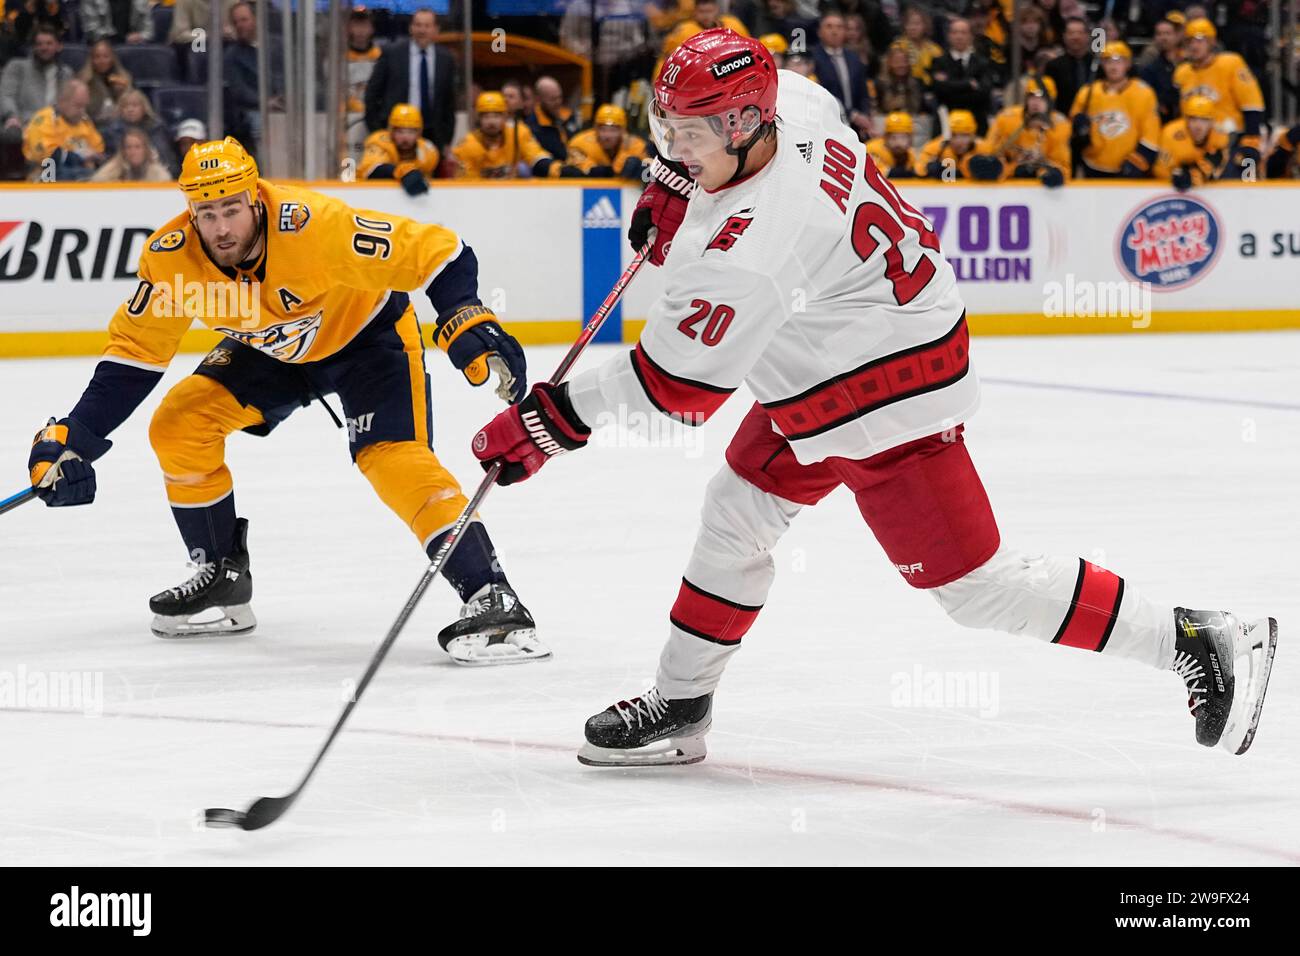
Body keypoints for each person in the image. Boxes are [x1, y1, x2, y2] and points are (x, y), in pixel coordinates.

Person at [468, 28, 1277, 767]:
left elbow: (675, 389)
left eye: (689, 134)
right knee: (738, 507)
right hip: (856, 341)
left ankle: (1196, 641)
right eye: (666, 127)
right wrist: (682, 178)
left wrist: (546, 423)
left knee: (973, 586)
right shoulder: (800, 103)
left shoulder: (749, 248)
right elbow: (744, 150)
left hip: (880, 388)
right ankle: (681, 703)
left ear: (747, 125)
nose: (670, 145)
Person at [24, 137, 547, 663]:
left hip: (367, 339)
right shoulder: (172, 261)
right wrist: (75, 437)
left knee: (393, 460)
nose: (222, 228)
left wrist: (463, 314)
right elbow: (133, 356)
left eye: (231, 208)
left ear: (254, 198)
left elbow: (439, 250)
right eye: (206, 213)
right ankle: (221, 575)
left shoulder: (314, 225)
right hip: (271, 350)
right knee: (179, 424)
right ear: (190, 212)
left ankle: (490, 594)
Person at [1173, 18, 1264, 179]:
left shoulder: (1231, 63)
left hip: (1231, 142)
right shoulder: (1182, 72)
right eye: (1190, 41)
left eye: (1200, 40)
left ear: (1212, 42)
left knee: (1242, 186)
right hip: (1194, 143)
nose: (1194, 45)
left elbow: (1252, 104)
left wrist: (1251, 141)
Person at [364, 8, 456, 153]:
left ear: (436, 29)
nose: (422, 30)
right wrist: (378, 131)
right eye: (418, 25)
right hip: (396, 133)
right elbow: (372, 94)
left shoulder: (446, 59)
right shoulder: (392, 53)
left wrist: (446, 140)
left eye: (427, 26)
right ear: (411, 27)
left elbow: (449, 103)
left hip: (433, 135)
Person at [1068, 41, 1159, 178]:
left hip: (1129, 167)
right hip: (1092, 165)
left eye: (1119, 61)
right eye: (1108, 61)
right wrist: (1078, 127)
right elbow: (1071, 125)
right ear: (1102, 65)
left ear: (1128, 64)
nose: (1113, 66)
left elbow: (1151, 133)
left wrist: (1139, 159)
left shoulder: (1144, 92)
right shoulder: (1087, 92)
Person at [980, 74, 1070, 186]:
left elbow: (1062, 164)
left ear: (1051, 101)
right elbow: (990, 151)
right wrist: (1008, 167)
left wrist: (1045, 167)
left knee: (1054, 176)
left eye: (1042, 98)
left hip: (1043, 180)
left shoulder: (1060, 124)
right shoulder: (1007, 118)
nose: (1036, 103)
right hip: (1009, 177)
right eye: (1032, 97)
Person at [452, 91, 559, 180]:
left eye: (496, 115)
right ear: (478, 118)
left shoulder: (519, 133)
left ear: (505, 116)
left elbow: (536, 155)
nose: (491, 122)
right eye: (486, 116)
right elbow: (465, 184)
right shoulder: (467, 145)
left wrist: (556, 169)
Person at [22, 77, 104, 179]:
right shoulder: (44, 119)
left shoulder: (85, 121)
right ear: (62, 101)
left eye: (84, 106)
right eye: (78, 106)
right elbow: (47, 156)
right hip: (47, 175)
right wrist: (81, 157)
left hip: (82, 174)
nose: (82, 111)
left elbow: (98, 150)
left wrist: (94, 158)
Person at [0, 24, 72, 132]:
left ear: (58, 46)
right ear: (34, 47)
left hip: (58, 129)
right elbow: (6, 96)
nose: (44, 48)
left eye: (49, 43)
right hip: (24, 126)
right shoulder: (17, 66)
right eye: (39, 44)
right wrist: (11, 116)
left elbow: (72, 103)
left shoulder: (66, 73)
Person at [359, 102, 439, 195]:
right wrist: (401, 171)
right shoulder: (380, 142)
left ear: (418, 133)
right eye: (400, 132)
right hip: (373, 195)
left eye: (411, 132)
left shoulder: (427, 150)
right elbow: (372, 169)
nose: (405, 137)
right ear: (391, 132)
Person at [812, 13, 870, 139]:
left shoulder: (854, 58)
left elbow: (863, 92)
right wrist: (853, 115)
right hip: (827, 122)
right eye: (829, 26)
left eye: (839, 27)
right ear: (820, 32)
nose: (834, 31)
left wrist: (865, 114)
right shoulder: (813, 58)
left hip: (857, 126)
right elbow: (823, 92)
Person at [929, 17, 993, 130]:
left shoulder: (982, 63)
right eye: (955, 32)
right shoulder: (939, 62)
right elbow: (939, 91)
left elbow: (984, 93)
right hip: (946, 124)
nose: (959, 36)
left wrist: (951, 85)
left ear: (971, 36)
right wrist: (968, 84)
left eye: (963, 32)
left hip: (977, 123)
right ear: (949, 36)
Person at [1153, 94, 1228, 190]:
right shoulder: (1171, 134)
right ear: (1186, 120)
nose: (1198, 126)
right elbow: (1160, 171)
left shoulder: (1220, 135)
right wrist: (1176, 176)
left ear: (1212, 122)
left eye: (1204, 119)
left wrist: (1193, 175)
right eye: (1193, 119)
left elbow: (1216, 165)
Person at [100, 88, 175, 175]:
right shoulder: (113, 132)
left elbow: (168, 156)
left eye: (135, 105)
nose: (130, 109)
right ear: (120, 109)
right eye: (125, 106)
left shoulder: (157, 128)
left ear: (144, 108)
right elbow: (113, 159)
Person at [563, 104, 649, 179]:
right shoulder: (579, 143)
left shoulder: (637, 145)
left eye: (613, 130)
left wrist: (625, 151)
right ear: (595, 129)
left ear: (623, 131)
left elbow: (649, 174)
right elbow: (591, 172)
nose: (607, 135)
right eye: (603, 129)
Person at [915, 107, 987, 179]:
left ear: (973, 135)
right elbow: (919, 170)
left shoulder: (983, 150)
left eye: (964, 135)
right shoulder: (935, 148)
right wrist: (928, 169)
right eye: (954, 135)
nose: (959, 141)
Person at [1139, 15, 1186, 125]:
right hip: (1162, 121)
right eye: (1159, 34)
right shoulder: (1150, 69)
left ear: (1176, 36)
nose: (1163, 38)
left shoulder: (1188, 63)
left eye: (1167, 33)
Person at [1043, 16, 1094, 115]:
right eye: (1071, 33)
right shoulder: (1053, 66)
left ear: (1088, 36)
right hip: (1063, 120)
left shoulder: (1098, 65)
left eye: (1080, 33)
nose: (1075, 37)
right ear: (1064, 36)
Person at [78, 38, 133, 127]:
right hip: (91, 124)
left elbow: (131, 106)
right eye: (97, 57)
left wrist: (121, 94)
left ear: (112, 58)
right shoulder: (83, 80)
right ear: (91, 59)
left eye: (105, 56)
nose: (101, 61)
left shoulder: (124, 78)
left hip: (119, 125)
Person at [524, 76, 581, 160]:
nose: (558, 102)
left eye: (560, 97)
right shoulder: (531, 126)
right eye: (552, 99)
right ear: (539, 99)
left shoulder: (568, 116)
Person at [90, 125, 170, 181]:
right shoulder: (110, 172)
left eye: (137, 147)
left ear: (146, 150)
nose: (133, 152)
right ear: (123, 151)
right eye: (128, 147)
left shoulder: (159, 175)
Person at [865, 110, 917, 178]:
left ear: (910, 139)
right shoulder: (873, 149)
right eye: (893, 137)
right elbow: (875, 175)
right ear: (885, 137)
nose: (898, 143)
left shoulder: (910, 154)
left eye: (903, 137)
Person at [80, 0, 153, 44]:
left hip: (133, 45)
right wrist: (112, 36)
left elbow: (149, 31)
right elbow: (91, 30)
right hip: (100, 43)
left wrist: (140, 36)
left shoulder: (140, 1)